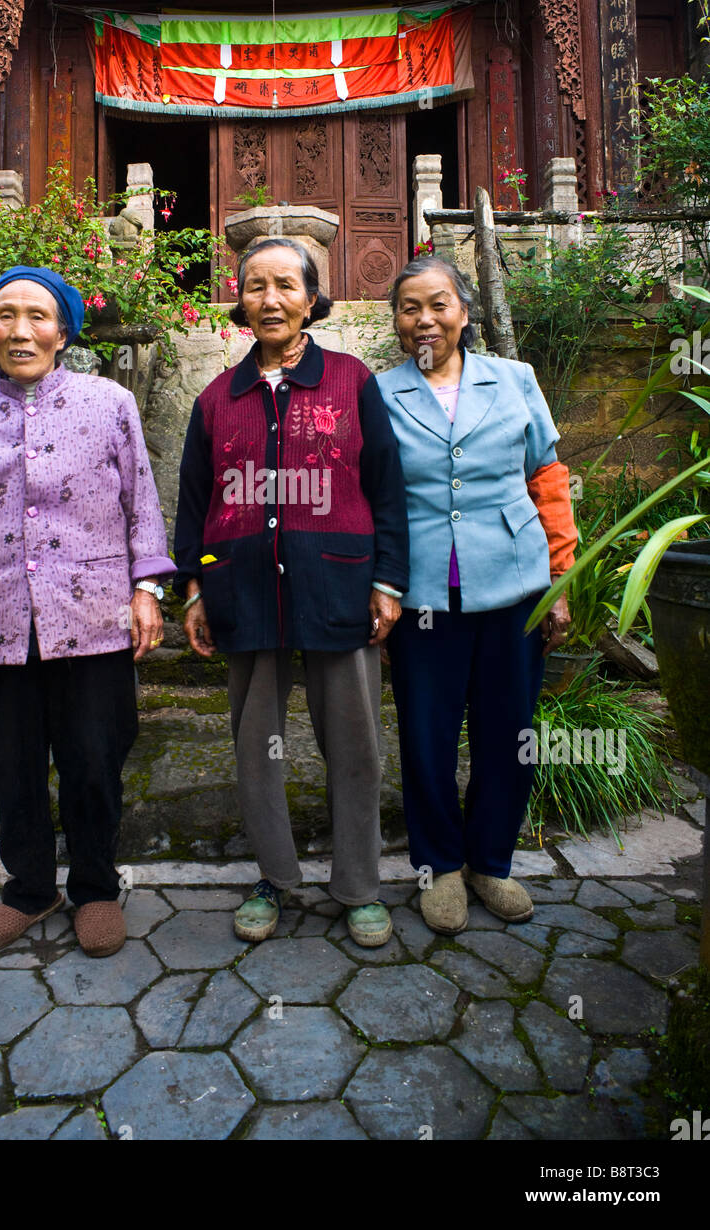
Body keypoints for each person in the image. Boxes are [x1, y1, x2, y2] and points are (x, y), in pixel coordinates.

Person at [0, 265, 175, 959]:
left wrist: (146, 591)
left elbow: (142, 506)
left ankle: (96, 888)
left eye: (37, 316)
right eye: (4, 315)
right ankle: (30, 889)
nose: (20, 330)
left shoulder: (109, 405)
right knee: (9, 767)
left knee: (94, 760)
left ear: (63, 331)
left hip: (94, 616)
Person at [174, 238, 409, 945]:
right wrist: (192, 592)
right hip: (242, 591)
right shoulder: (218, 398)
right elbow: (191, 504)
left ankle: (360, 886)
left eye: (285, 285)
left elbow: (387, 489)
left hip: (339, 584)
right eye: (254, 286)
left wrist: (388, 580)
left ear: (312, 298)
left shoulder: (350, 381)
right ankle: (274, 878)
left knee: (356, 745)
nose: (269, 299)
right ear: (239, 299)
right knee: (256, 747)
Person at [377, 255, 577, 935]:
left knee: (508, 734)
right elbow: (373, 498)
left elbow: (547, 477)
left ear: (464, 311)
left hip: (513, 587)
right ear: (397, 322)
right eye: (410, 308)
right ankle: (438, 867)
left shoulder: (514, 380)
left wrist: (560, 581)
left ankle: (492, 860)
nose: (425, 319)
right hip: (423, 594)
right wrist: (379, 590)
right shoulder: (380, 394)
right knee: (427, 737)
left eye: (438, 304)